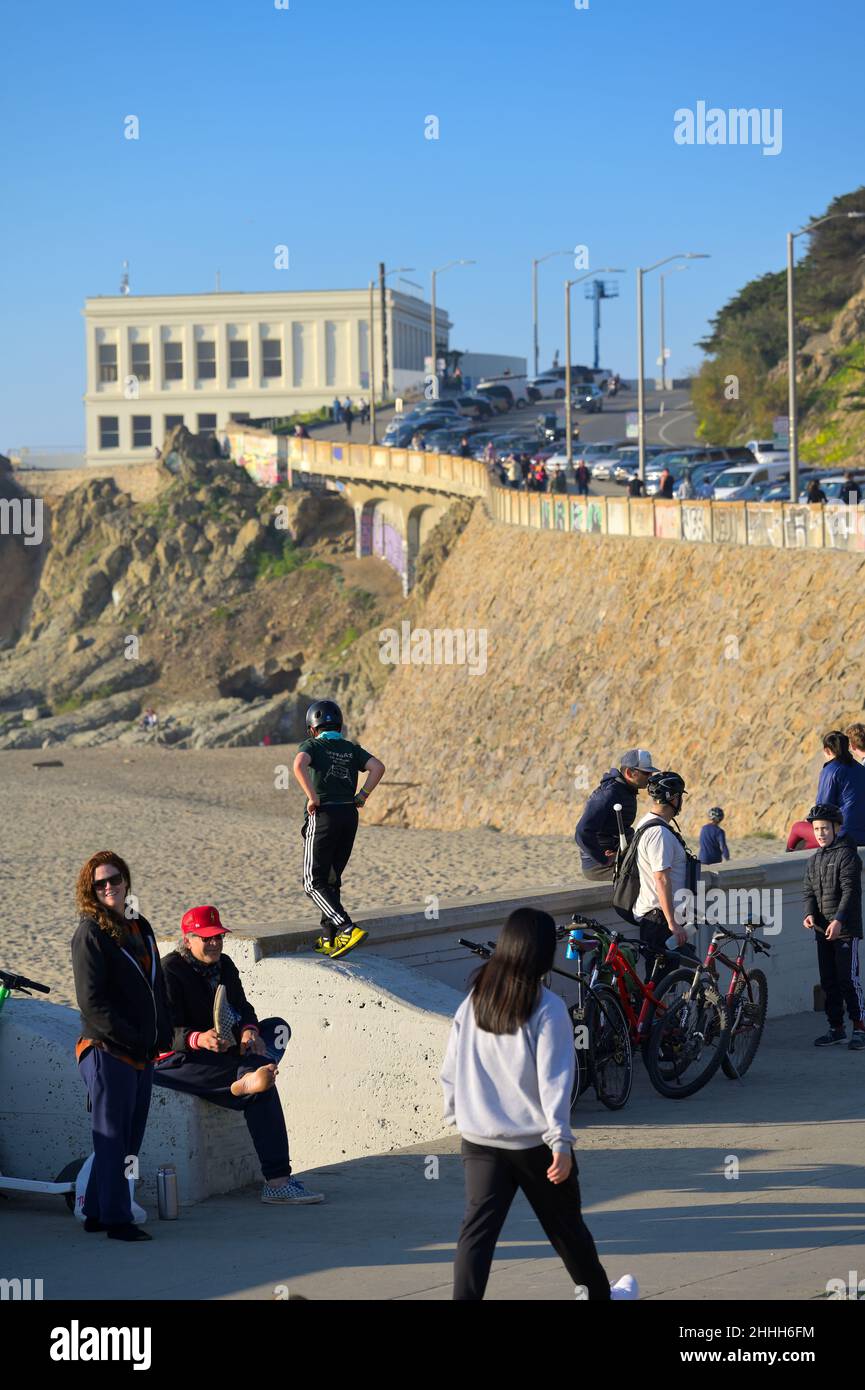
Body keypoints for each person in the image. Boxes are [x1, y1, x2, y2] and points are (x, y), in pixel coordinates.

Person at [441, 906, 638, 1302]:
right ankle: (600, 1297)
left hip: (480, 1142)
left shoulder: (475, 1001)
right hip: (535, 1146)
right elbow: (555, 1081)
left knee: (475, 1236)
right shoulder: (546, 1008)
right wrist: (561, 1143)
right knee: (567, 1231)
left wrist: (458, 1114)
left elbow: (451, 1068)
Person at [154, 906, 323, 1203]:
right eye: (207, 939)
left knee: (277, 1028)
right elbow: (164, 1031)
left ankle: (247, 1072)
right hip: (178, 1058)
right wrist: (198, 1039)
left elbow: (244, 1008)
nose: (215, 943)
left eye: (218, 937)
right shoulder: (170, 971)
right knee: (261, 1090)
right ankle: (277, 1182)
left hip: (226, 1046)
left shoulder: (225, 965)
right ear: (188, 939)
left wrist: (249, 1032)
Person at [71, 851, 173, 1241]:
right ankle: (117, 1220)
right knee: (112, 1138)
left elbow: (156, 985)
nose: (109, 886)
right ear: (91, 890)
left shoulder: (139, 926)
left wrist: (162, 1032)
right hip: (106, 1050)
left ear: (126, 881)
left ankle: (98, 1210)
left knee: (130, 1139)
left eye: (115, 879)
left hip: (142, 1053)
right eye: (100, 883)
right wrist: (132, 1037)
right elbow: (92, 1003)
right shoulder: (90, 934)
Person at [293, 699, 385, 958]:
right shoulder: (351, 748)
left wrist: (312, 797)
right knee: (331, 878)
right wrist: (363, 795)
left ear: (312, 728)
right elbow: (378, 768)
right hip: (348, 814)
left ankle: (346, 928)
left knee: (312, 882)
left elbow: (298, 765)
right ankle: (329, 937)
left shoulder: (313, 744)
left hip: (324, 816)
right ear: (340, 725)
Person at [802, 804, 865, 1050]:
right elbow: (808, 892)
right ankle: (836, 1028)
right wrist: (809, 914)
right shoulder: (813, 860)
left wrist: (838, 920)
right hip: (822, 930)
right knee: (828, 981)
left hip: (845, 929)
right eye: (816, 829)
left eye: (825, 828)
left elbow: (851, 891)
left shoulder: (848, 855)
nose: (820, 833)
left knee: (848, 979)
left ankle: (859, 1028)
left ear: (836, 828)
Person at [630, 771, 696, 978]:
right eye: (679, 796)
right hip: (659, 919)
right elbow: (661, 878)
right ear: (673, 798)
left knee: (656, 985)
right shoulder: (659, 834)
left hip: (655, 916)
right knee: (659, 984)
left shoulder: (647, 823)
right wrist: (672, 924)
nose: (681, 801)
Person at [575, 750, 660, 881]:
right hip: (598, 866)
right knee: (650, 874)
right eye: (646, 773)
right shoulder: (608, 795)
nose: (650, 776)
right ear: (629, 773)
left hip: (618, 855)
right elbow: (582, 832)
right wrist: (603, 859)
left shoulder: (625, 790)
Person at [816, 729, 865, 846]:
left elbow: (822, 808)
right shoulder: (861, 769)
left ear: (827, 750)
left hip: (843, 834)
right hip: (863, 833)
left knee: (797, 829)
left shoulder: (830, 770)